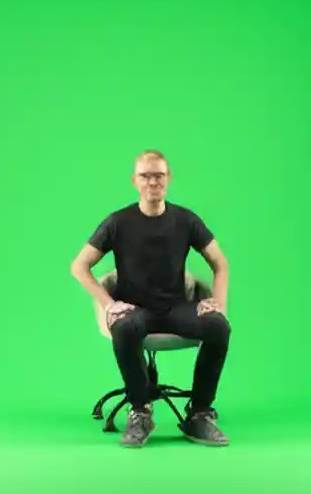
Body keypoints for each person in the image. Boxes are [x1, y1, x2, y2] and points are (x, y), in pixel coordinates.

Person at [69, 149, 232, 448]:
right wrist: (109, 303)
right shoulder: (118, 222)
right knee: (125, 326)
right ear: (135, 181)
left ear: (168, 178)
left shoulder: (185, 220)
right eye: (146, 176)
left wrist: (218, 303)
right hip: (136, 309)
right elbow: (79, 266)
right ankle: (141, 411)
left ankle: (198, 414)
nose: (152, 182)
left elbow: (220, 263)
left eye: (159, 175)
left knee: (219, 326)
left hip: (175, 308)